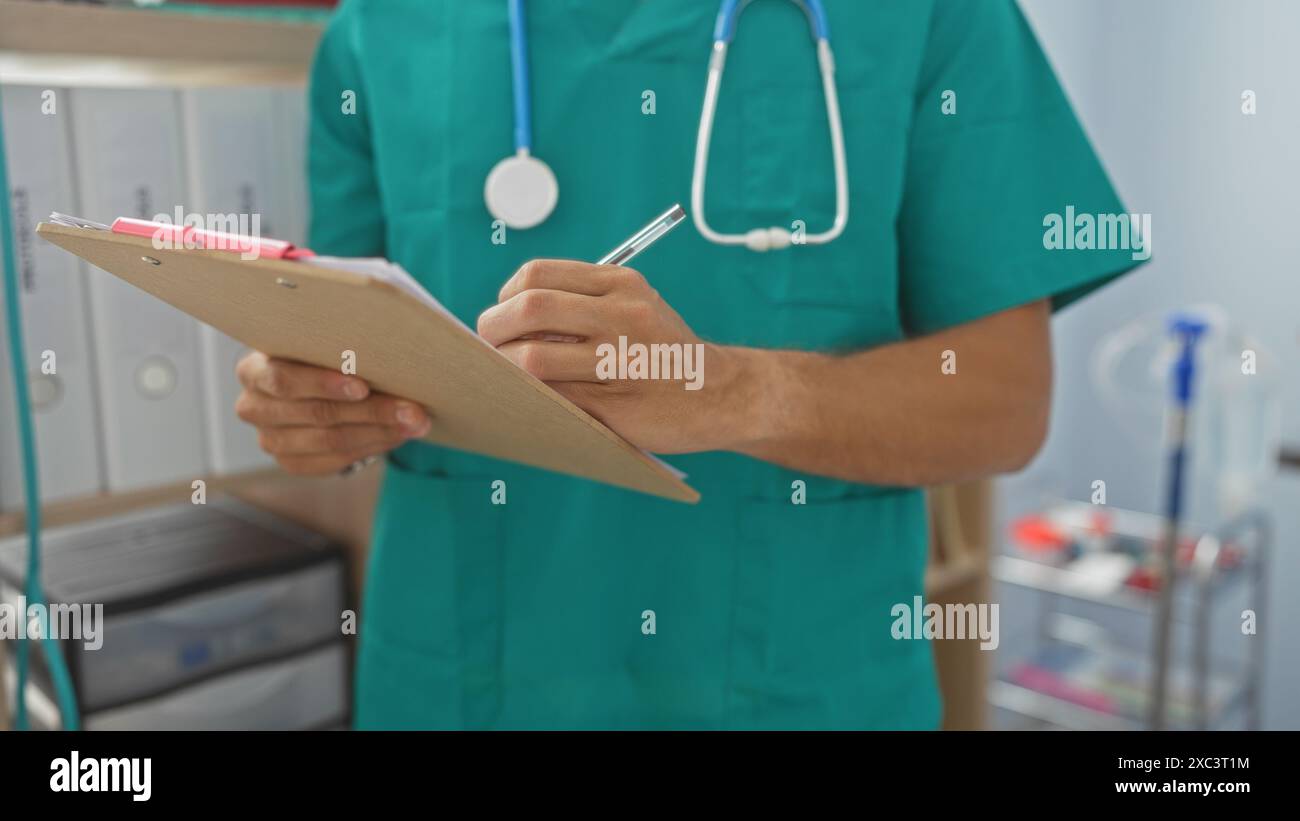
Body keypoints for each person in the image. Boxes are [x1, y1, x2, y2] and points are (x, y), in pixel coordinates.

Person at [234, 0, 1141, 729]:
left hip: (799, 691)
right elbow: (350, 341)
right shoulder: (379, 29)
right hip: (454, 684)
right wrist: (319, 413)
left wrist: (742, 394)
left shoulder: (932, 17)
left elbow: (1005, 401)